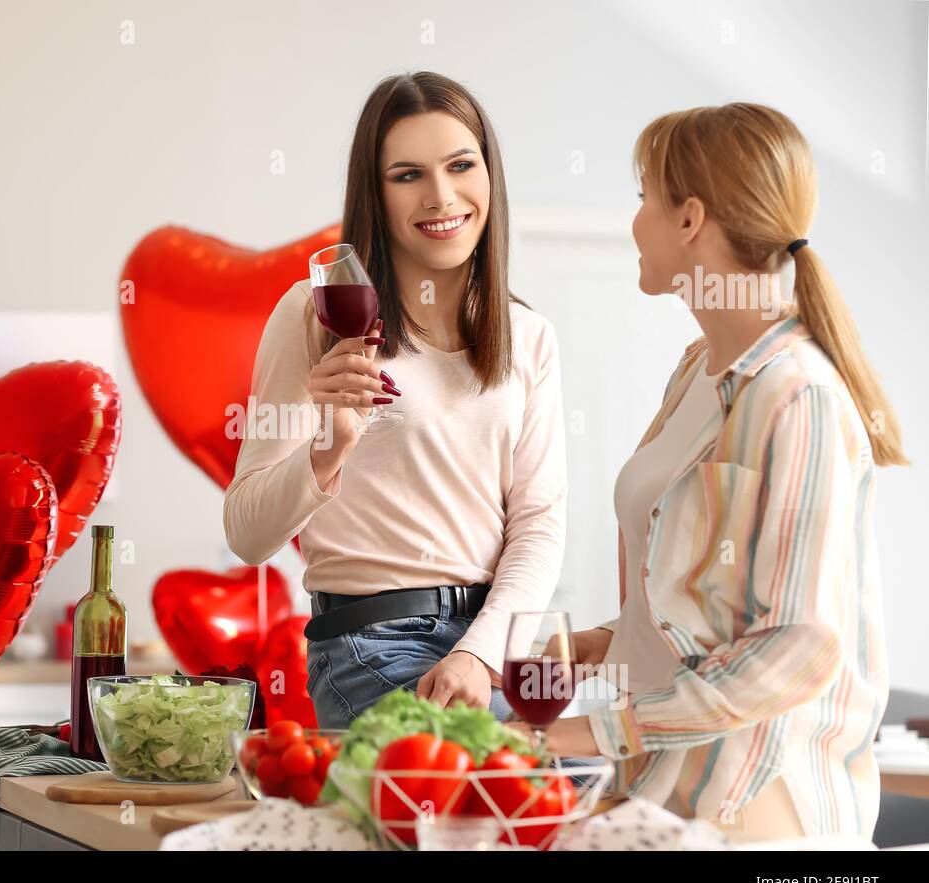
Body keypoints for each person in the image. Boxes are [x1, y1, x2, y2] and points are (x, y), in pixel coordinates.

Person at [511, 102, 902, 842]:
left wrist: (599, 732)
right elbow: (705, 600)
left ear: (689, 219)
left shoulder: (798, 396)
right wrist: (614, 640)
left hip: (753, 803)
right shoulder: (699, 371)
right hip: (667, 787)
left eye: (642, 200)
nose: (635, 223)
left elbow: (796, 644)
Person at [223, 71, 567, 728]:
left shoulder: (529, 336)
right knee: (469, 805)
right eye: (407, 175)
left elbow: (538, 526)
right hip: (368, 647)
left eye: (461, 165)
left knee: (561, 800)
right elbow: (246, 532)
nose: (442, 196)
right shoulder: (312, 317)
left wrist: (481, 653)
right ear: (375, 194)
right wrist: (329, 448)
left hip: (487, 650)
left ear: (488, 173)